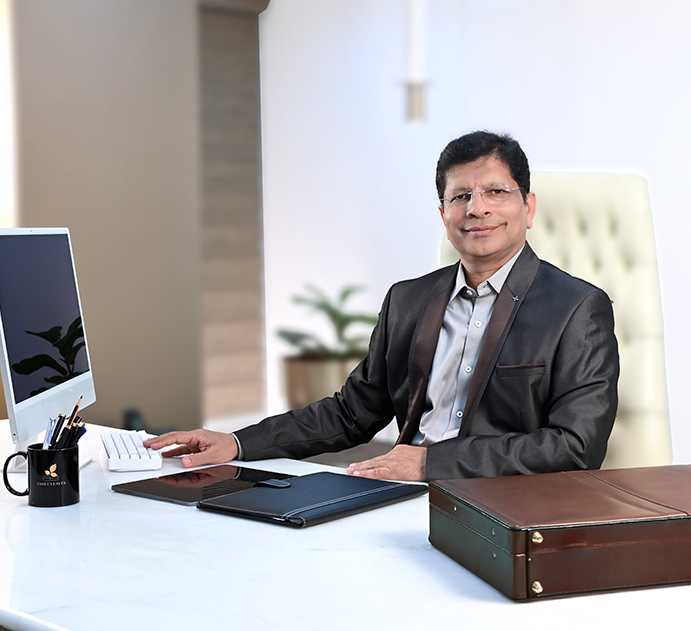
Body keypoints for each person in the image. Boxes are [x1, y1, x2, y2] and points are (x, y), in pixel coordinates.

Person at [146, 131, 619, 482]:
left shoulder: (577, 308)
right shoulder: (408, 301)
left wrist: (432, 463)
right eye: (461, 196)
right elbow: (350, 414)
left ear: (528, 207)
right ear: (444, 216)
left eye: (496, 192)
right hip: (399, 493)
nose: (477, 208)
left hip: (502, 509)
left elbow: (576, 447)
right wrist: (236, 442)